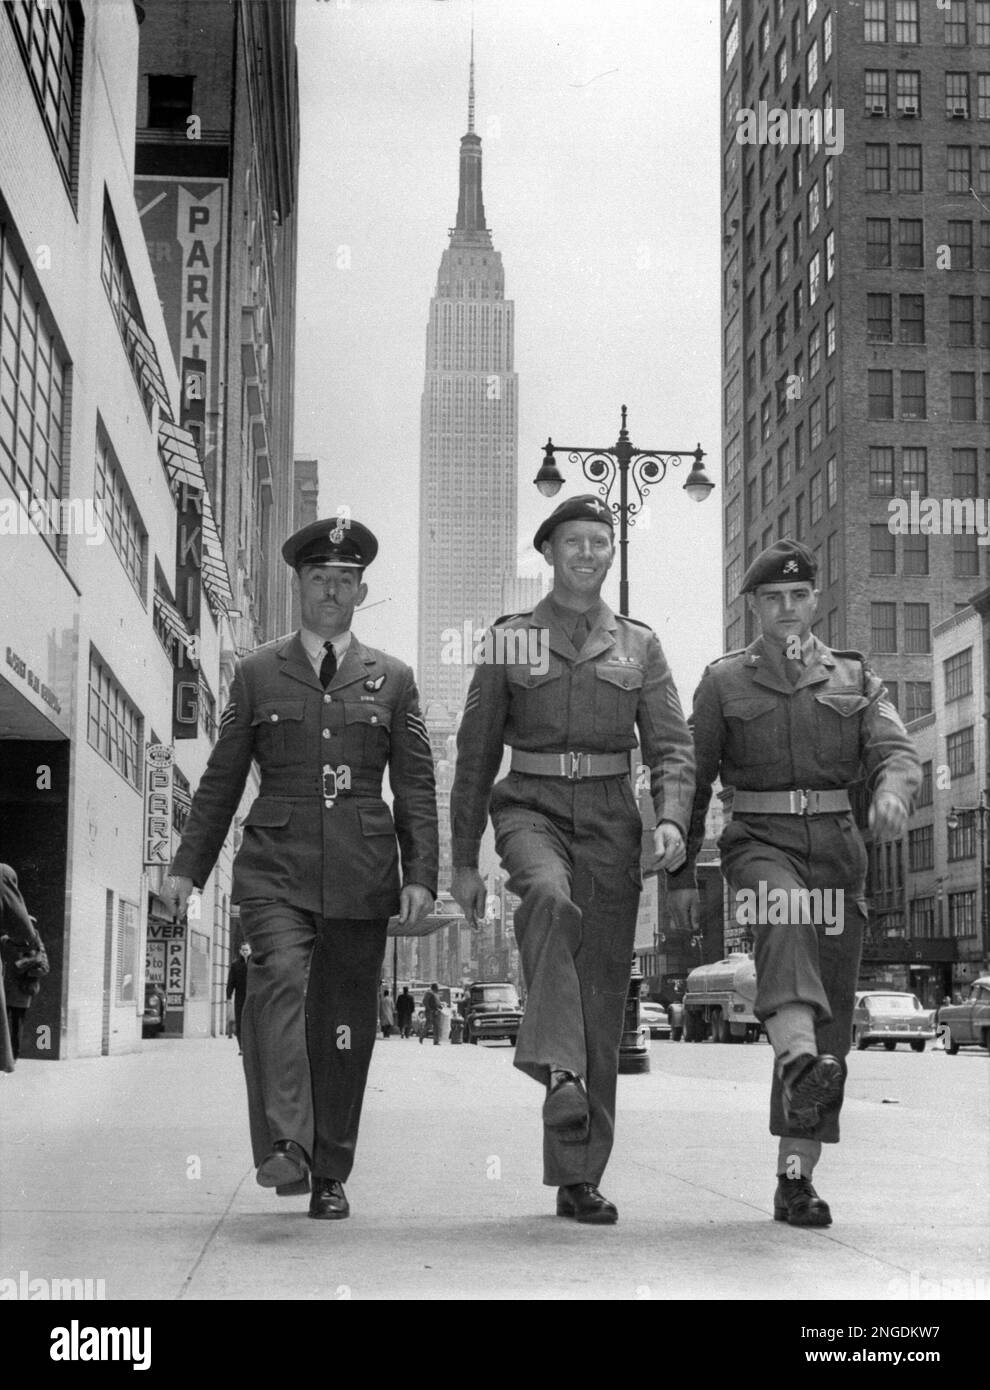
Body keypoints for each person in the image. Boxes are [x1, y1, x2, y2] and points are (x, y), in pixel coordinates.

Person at [165, 515, 438, 1220]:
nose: (330, 591)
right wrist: (184, 871)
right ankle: (286, 1141)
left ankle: (330, 1170)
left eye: (344, 581)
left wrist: (421, 876)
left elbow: (414, 786)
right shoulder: (258, 673)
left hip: (361, 866)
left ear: (361, 590)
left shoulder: (395, 680)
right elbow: (223, 779)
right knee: (276, 982)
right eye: (319, 579)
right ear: (299, 585)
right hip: (275, 865)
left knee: (345, 1023)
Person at [450, 495, 695, 1224]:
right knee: (549, 900)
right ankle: (557, 1069)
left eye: (599, 541)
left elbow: (673, 747)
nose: (587, 553)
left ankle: (577, 1177)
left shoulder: (640, 646)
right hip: (530, 807)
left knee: (599, 1004)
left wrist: (675, 820)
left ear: (610, 553)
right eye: (573, 542)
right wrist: (463, 863)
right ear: (549, 554)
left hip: (615, 821)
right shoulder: (510, 640)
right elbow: (473, 757)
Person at [667, 539, 921, 1227]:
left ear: (815, 600)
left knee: (831, 1033)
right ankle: (797, 1056)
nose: (786, 609)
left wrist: (893, 793)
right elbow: (690, 781)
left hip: (839, 854)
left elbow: (896, 752)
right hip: (758, 844)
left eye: (797, 597)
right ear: (754, 605)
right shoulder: (724, 683)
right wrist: (683, 873)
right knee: (782, 919)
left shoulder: (855, 679)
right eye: (772, 599)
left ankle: (794, 1179)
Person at [0, 866, 44, 1073]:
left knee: (15, 1024)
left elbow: (42, 963)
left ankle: (14, 1056)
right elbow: (23, 931)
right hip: (11, 987)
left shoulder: (33, 943)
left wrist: (21, 965)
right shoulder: (3, 874)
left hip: (19, 990)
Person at [225, 942, 251, 1054]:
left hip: (252, 997)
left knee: (250, 1022)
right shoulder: (235, 965)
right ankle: (241, 1047)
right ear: (240, 951)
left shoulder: (255, 964)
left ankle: (250, 1047)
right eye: (243, 950)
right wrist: (229, 996)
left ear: (250, 951)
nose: (245, 952)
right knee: (240, 1022)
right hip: (240, 997)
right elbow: (231, 981)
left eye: (247, 950)